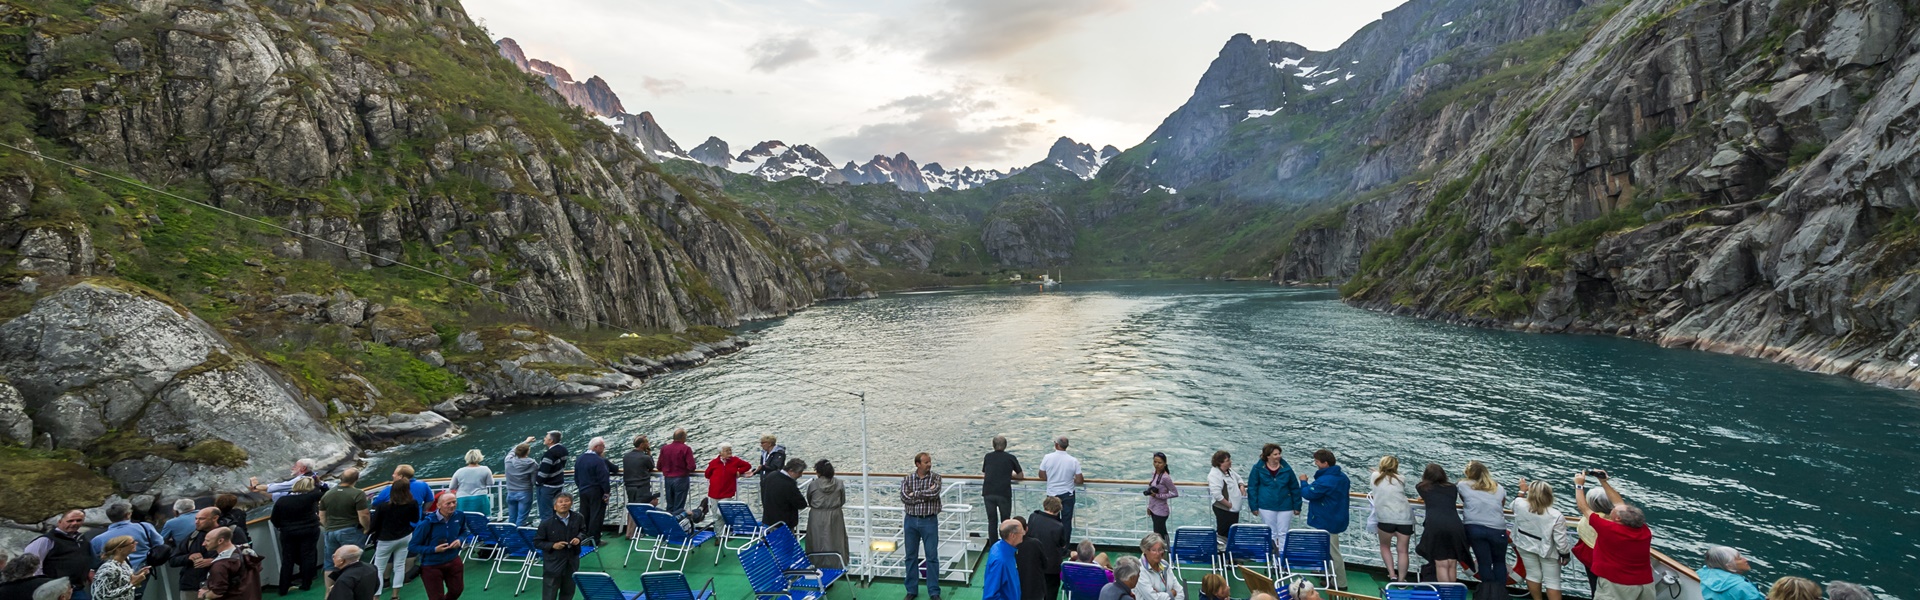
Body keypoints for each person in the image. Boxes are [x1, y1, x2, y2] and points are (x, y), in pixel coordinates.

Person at [1574, 471, 1652, 600]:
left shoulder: (1609, 529)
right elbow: (1620, 504)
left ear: (1617, 519)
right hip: (1644, 583)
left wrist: (1579, 485)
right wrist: (1603, 481)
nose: (1612, 509)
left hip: (1618, 584)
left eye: (1613, 512)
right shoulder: (1644, 529)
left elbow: (1583, 507)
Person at [1510, 480, 1571, 600]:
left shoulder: (1519, 504)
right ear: (1549, 495)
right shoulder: (1556, 515)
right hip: (1548, 551)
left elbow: (1513, 504)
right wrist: (1565, 554)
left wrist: (1522, 490)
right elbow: (1561, 541)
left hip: (1524, 545)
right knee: (1553, 582)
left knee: (1533, 575)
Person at [1298, 449, 1350, 589]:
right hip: (1336, 516)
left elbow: (1308, 493)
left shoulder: (1326, 480)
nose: (1315, 463)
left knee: (1333, 552)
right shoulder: (1342, 477)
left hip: (1327, 519)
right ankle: (1328, 575)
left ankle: (1340, 583)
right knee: (1328, 549)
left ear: (1325, 463)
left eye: (1317, 461)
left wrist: (1303, 482)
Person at [1459, 461, 1508, 600]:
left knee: (1484, 563)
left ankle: (1488, 594)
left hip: (1474, 527)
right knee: (1499, 562)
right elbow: (1501, 505)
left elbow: (1464, 500)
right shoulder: (1498, 488)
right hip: (1498, 528)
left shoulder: (1463, 485)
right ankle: (1500, 594)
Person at [408, 494, 471, 600]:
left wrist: (459, 540)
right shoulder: (426, 524)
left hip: (453, 560)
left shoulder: (459, 516)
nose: (452, 505)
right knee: (436, 597)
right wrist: (434, 550)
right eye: (448, 503)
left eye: (454, 502)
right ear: (439, 505)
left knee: (457, 590)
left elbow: (464, 531)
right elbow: (412, 546)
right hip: (432, 565)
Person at [318, 469, 371, 593]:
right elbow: (363, 515)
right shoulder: (357, 493)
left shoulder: (328, 494)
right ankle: (351, 591)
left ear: (341, 478)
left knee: (330, 563)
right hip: (350, 531)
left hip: (330, 532)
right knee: (353, 562)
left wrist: (328, 528)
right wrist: (367, 528)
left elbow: (321, 516)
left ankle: (329, 592)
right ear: (356, 479)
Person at [269, 477, 325, 594]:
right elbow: (325, 492)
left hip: (288, 532)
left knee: (287, 559)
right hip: (309, 530)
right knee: (308, 556)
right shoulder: (311, 497)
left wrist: (282, 527)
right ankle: (306, 584)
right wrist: (319, 483)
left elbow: (274, 519)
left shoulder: (282, 500)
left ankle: (283, 588)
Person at [1415, 463, 1469, 583]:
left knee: (1441, 564)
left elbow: (1432, 496)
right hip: (1455, 525)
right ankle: (1451, 594)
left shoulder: (1422, 487)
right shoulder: (1452, 488)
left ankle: (1445, 594)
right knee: (1452, 562)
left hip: (1436, 525)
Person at [901, 452, 943, 600]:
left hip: (929, 521)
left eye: (929, 461)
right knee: (910, 556)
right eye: (926, 462)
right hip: (911, 521)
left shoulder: (936, 478)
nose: (929, 464)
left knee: (931, 557)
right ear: (918, 464)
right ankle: (911, 590)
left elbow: (934, 493)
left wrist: (915, 494)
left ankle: (934, 591)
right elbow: (904, 497)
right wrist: (922, 494)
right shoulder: (907, 479)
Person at [367, 478, 419, 600]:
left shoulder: (383, 507)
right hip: (405, 537)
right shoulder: (412, 503)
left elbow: (374, 524)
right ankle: (395, 595)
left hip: (385, 540)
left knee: (379, 568)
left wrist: (368, 531)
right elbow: (415, 520)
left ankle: (376, 597)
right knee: (399, 566)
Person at [23, 511, 92, 599]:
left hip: (77, 589)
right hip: (54, 592)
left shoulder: (80, 539)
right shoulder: (46, 540)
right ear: (59, 522)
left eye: (79, 520)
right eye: (70, 521)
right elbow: (32, 567)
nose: (75, 523)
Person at [1246, 444, 1301, 551]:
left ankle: (1281, 558)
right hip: (1266, 505)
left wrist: (1297, 506)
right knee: (1271, 533)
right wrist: (1254, 506)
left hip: (1286, 506)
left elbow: (1294, 487)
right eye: (1275, 454)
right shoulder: (1257, 469)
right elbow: (1252, 487)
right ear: (1268, 456)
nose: (1278, 456)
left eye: (1279, 454)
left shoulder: (1287, 469)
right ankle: (1272, 558)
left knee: (1283, 533)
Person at [532, 494, 586, 600]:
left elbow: (583, 531)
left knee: (569, 589)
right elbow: (537, 542)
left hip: (572, 560)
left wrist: (579, 538)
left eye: (567, 501)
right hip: (553, 561)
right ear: (555, 506)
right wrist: (553, 545)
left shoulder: (578, 518)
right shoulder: (546, 523)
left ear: (571, 503)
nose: (564, 504)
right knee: (550, 591)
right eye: (560, 502)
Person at [91, 501, 168, 574]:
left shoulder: (98, 540)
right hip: (143, 570)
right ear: (128, 514)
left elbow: (95, 561)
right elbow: (159, 544)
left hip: (114, 575)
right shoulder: (145, 527)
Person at [1371, 456, 1414, 583]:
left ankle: (1392, 574)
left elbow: (1379, 477)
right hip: (1404, 518)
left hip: (1385, 518)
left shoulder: (1375, 476)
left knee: (1385, 546)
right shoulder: (1401, 479)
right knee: (1403, 551)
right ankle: (1401, 580)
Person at [1036, 438, 1084, 539]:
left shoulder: (1047, 457)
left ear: (1056, 445)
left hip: (1052, 494)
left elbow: (1041, 475)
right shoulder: (1073, 460)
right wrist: (1071, 480)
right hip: (1068, 493)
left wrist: (1051, 478)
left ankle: (1053, 545)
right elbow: (1079, 480)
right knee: (1066, 522)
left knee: (1051, 521)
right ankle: (1064, 547)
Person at [981, 436, 1024, 544]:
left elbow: (985, 472)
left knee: (992, 521)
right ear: (1005, 445)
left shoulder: (988, 457)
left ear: (993, 445)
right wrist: (1011, 475)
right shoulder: (1010, 458)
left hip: (988, 492)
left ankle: (993, 545)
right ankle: (1006, 544)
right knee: (1005, 521)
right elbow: (1020, 475)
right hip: (1003, 493)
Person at [805, 460, 849, 565]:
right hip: (835, 515)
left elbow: (809, 500)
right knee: (835, 541)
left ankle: (817, 565)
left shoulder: (813, 485)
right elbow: (842, 500)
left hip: (817, 515)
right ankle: (836, 564)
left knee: (816, 541)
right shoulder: (839, 483)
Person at [1570, 486, 1615, 592]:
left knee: (1595, 586)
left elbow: (1582, 507)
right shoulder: (1616, 522)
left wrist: (1579, 486)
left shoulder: (1588, 520)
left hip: (1590, 558)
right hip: (1610, 561)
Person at [170, 509, 220, 600]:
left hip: (219, 585)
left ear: (215, 518)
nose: (197, 522)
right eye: (196, 519)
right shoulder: (192, 537)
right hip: (191, 586)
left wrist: (214, 561)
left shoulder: (230, 533)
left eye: (201, 519)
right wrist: (188, 557)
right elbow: (173, 560)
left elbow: (242, 557)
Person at [574, 437, 615, 545]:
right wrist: (606, 493)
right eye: (603, 446)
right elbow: (604, 478)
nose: (604, 449)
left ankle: (582, 537)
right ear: (597, 447)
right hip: (596, 491)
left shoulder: (580, 458)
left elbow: (576, 477)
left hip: (583, 490)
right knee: (596, 515)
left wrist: (581, 487)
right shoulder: (599, 460)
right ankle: (595, 540)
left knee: (584, 514)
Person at [202, 527, 263, 600]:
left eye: (207, 541)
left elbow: (217, 593)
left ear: (220, 540)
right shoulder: (248, 552)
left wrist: (204, 595)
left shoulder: (221, 565)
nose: (203, 544)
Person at [1027, 496, 1069, 600]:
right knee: (1051, 591)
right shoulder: (1058, 526)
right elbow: (1062, 544)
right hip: (1051, 566)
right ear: (1058, 509)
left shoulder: (1033, 517)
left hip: (1034, 562)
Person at [1205, 451, 1245, 543]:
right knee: (1223, 534)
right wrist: (1229, 505)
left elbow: (1238, 478)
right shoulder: (1214, 475)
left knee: (1232, 532)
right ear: (1220, 463)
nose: (1230, 462)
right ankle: (1222, 552)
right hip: (1224, 509)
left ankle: (1230, 550)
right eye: (1227, 460)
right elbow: (1217, 494)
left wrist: (1241, 485)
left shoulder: (1229, 471)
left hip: (1233, 510)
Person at [622, 435, 657, 539]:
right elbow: (651, 466)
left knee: (631, 508)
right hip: (641, 486)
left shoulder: (626, 456)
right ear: (642, 445)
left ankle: (629, 532)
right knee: (642, 508)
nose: (648, 444)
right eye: (647, 442)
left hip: (629, 486)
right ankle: (635, 533)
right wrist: (649, 454)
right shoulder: (644, 457)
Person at [1697, 546, 1762, 600]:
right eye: (1739, 558)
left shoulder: (1702, 573)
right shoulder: (1744, 587)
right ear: (1729, 565)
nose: (1745, 560)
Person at [761, 458, 809, 530]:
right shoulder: (789, 484)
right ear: (791, 471)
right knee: (786, 541)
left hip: (768, 520)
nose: (801, 475)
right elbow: (801, 504)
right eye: (800, 472)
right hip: (784, 523)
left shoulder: (771, 476)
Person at [1133, 534, 1183, 600]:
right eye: (1154, 550)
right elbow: (1153, 598)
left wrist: (1160, 595)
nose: (1158, 553)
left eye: (1160, 549)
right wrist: (1171, 593)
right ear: (1145, 551)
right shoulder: (1139, 570)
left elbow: (1180, 592)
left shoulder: (1164, 565)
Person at [659, 429, 697, 514]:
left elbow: (659, 466)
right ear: (683, 437)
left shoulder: (664, 449)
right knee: (678, 506)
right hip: (681, 479)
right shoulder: (686, 449)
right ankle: (677, 524)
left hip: (668, 479)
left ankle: (668, 524)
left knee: (670, 505)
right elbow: (692, 466)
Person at [982, 520, 1023, 600]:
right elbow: (990, 596)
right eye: (1021, 532)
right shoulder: (1000, 562)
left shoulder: (998, 546)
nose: (1024, 534)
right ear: (1013, 535)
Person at [536, 431, 571, 524]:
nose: (544, 439)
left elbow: (543, 473)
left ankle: (548, 534)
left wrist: (537, 482)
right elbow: (561, 465)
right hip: (558, 483)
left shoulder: (549, 454)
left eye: (546, 437)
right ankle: (558, 530)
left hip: (548, 486)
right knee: (557, 510)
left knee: (546, 513)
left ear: (551, 441)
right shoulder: (564, 450)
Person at [504, 439, 538, 526]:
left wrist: (526, 441)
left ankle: (511, 536)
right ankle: (518, 537)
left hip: (511, 492)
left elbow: (512, 450)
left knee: (512, 517)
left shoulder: (508, 460)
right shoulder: (532, 464)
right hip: (525, 492)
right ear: (527, 452)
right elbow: (534, 481)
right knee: (521, 518)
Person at [1143, 453, 1178, 539]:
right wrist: (1149, 507)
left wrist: (1158, 495)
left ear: (1165, 463)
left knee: (1159, 534)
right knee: (1160, 533)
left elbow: (1175, 493)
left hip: (1161, 511)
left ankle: (1165, 550)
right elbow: (1152, 493)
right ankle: (1165, 550)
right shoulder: (1154, 473)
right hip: (1154, 509)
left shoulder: (1166, 478)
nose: (1157, 464)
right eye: (1155, 462)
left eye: (1160, 462)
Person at [449, 450, 494, 517]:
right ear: (479, 457)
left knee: (464, 520)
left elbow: (452, 487)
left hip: (463, 499)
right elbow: (490, 483)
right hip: (480, 498)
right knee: (481, 519)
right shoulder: (485, 469)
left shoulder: (459, 471)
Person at [250, 459, 318, 500]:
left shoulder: (300, 480)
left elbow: (278, 487)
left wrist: (256, 486)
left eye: (295, 466)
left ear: (303, 468)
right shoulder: (314, 475)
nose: (292, 468)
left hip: (302, 504)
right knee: (280, 495)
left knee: (280, 495)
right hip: (307, 500)